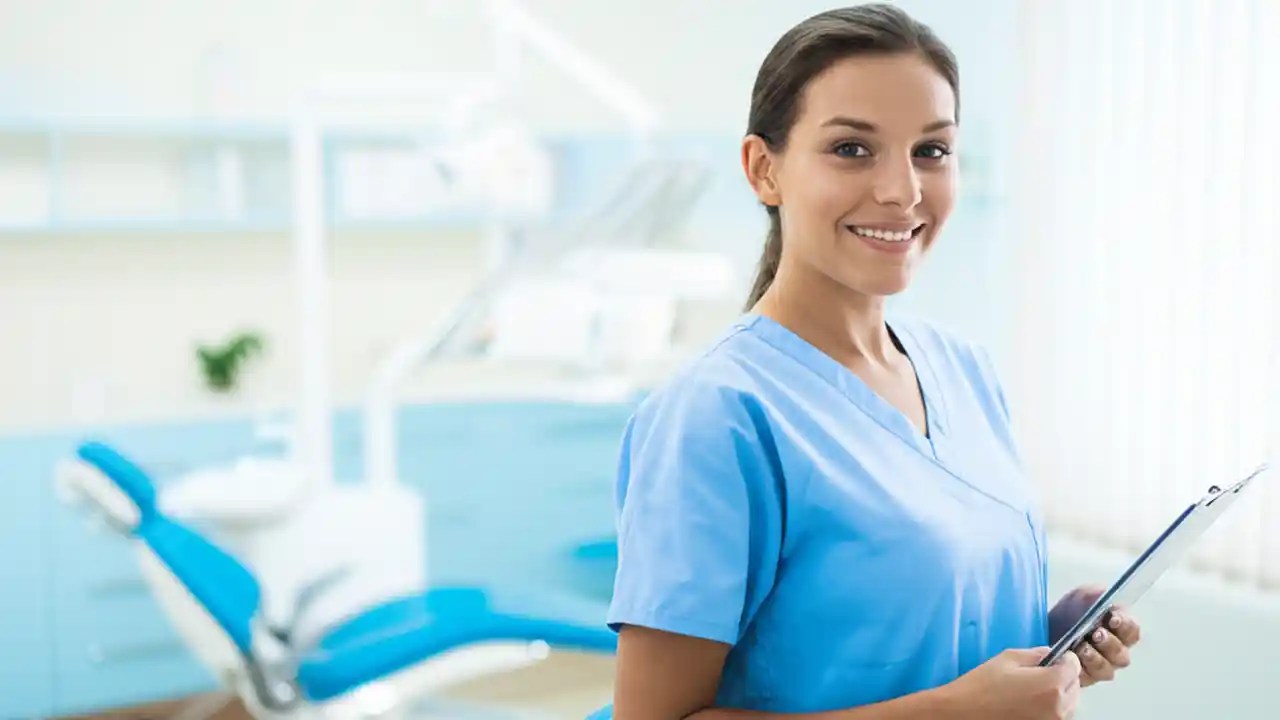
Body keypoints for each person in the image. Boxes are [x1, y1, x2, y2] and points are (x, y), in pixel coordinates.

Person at [592, 4, 1142, 720]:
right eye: (853, 149)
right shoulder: (717, 416)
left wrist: (1048, 639)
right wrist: (957, 712)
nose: (902, 190)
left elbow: (913, 637)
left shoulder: (964, 371)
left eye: (931, 151)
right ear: (764, 169)